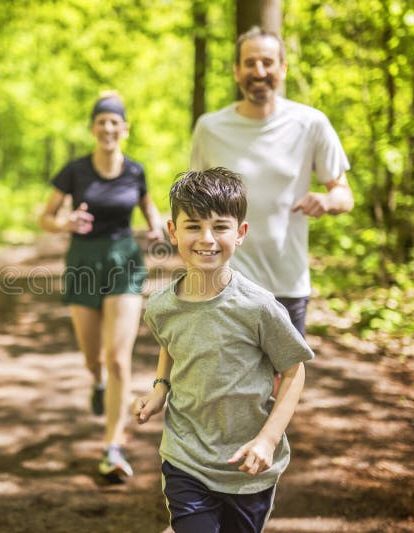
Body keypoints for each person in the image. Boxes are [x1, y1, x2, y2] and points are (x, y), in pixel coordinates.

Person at [132, 167, 314, 533]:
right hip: (186, 457)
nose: (207, 238)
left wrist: (268, 440)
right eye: (193, 226)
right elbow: (173, 342)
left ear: (241, 233)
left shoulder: (258, 307)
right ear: (173, 231)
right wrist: (159, 388)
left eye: (220, 227)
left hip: (247, 466)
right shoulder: (161, 306)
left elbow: (295, 370)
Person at [190, 26, 354, 336]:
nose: (259, 71)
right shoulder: (209, 128)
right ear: (237, 71)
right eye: (250, 63)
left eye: (267, 62)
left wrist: (328, 200)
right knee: (228, 383)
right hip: (223, 282)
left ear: (283, 68)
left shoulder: (311, 124)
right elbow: (194, 206)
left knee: (288, 381)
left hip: (286, 284)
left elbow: (344, 194)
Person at [38, 90, 163, 481]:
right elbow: (45, 217)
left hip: (123, 261)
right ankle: (97, 380)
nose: (108, 128)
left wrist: (157, 225)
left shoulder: (135, 171)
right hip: (83, 262)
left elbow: (148, 206)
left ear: (124, 129)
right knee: (94, 357)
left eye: (114, 122)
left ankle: (113, 445)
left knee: (117, 356)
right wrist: (65, 223)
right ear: (93, 129)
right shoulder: (74, 171)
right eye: (101, 122)